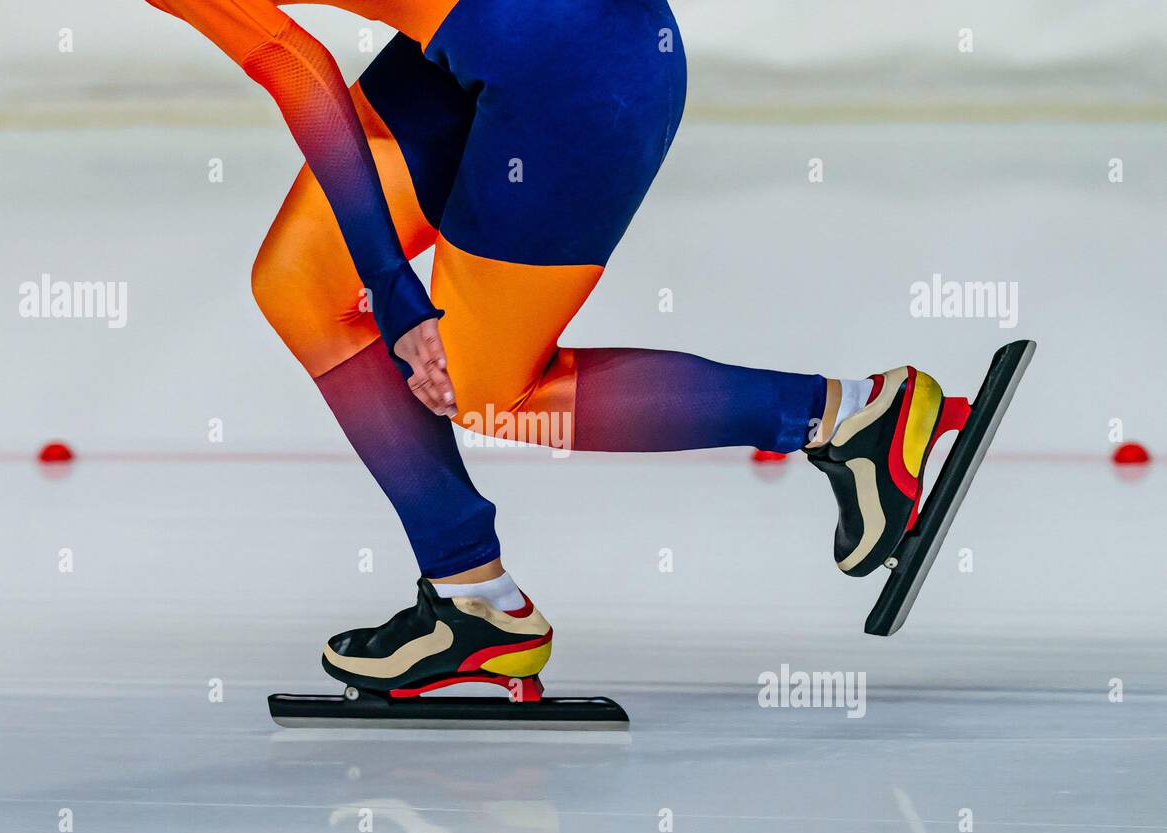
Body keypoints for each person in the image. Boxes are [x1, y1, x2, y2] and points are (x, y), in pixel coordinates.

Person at [144, 0, 987, 702]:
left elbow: (296, 67)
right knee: (301, 283)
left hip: (579, 72)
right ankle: (472, 596)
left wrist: (399, 291)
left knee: (481, 390)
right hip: (491, 47)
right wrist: (390, 286)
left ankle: (848, 416)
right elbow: (296, 55)